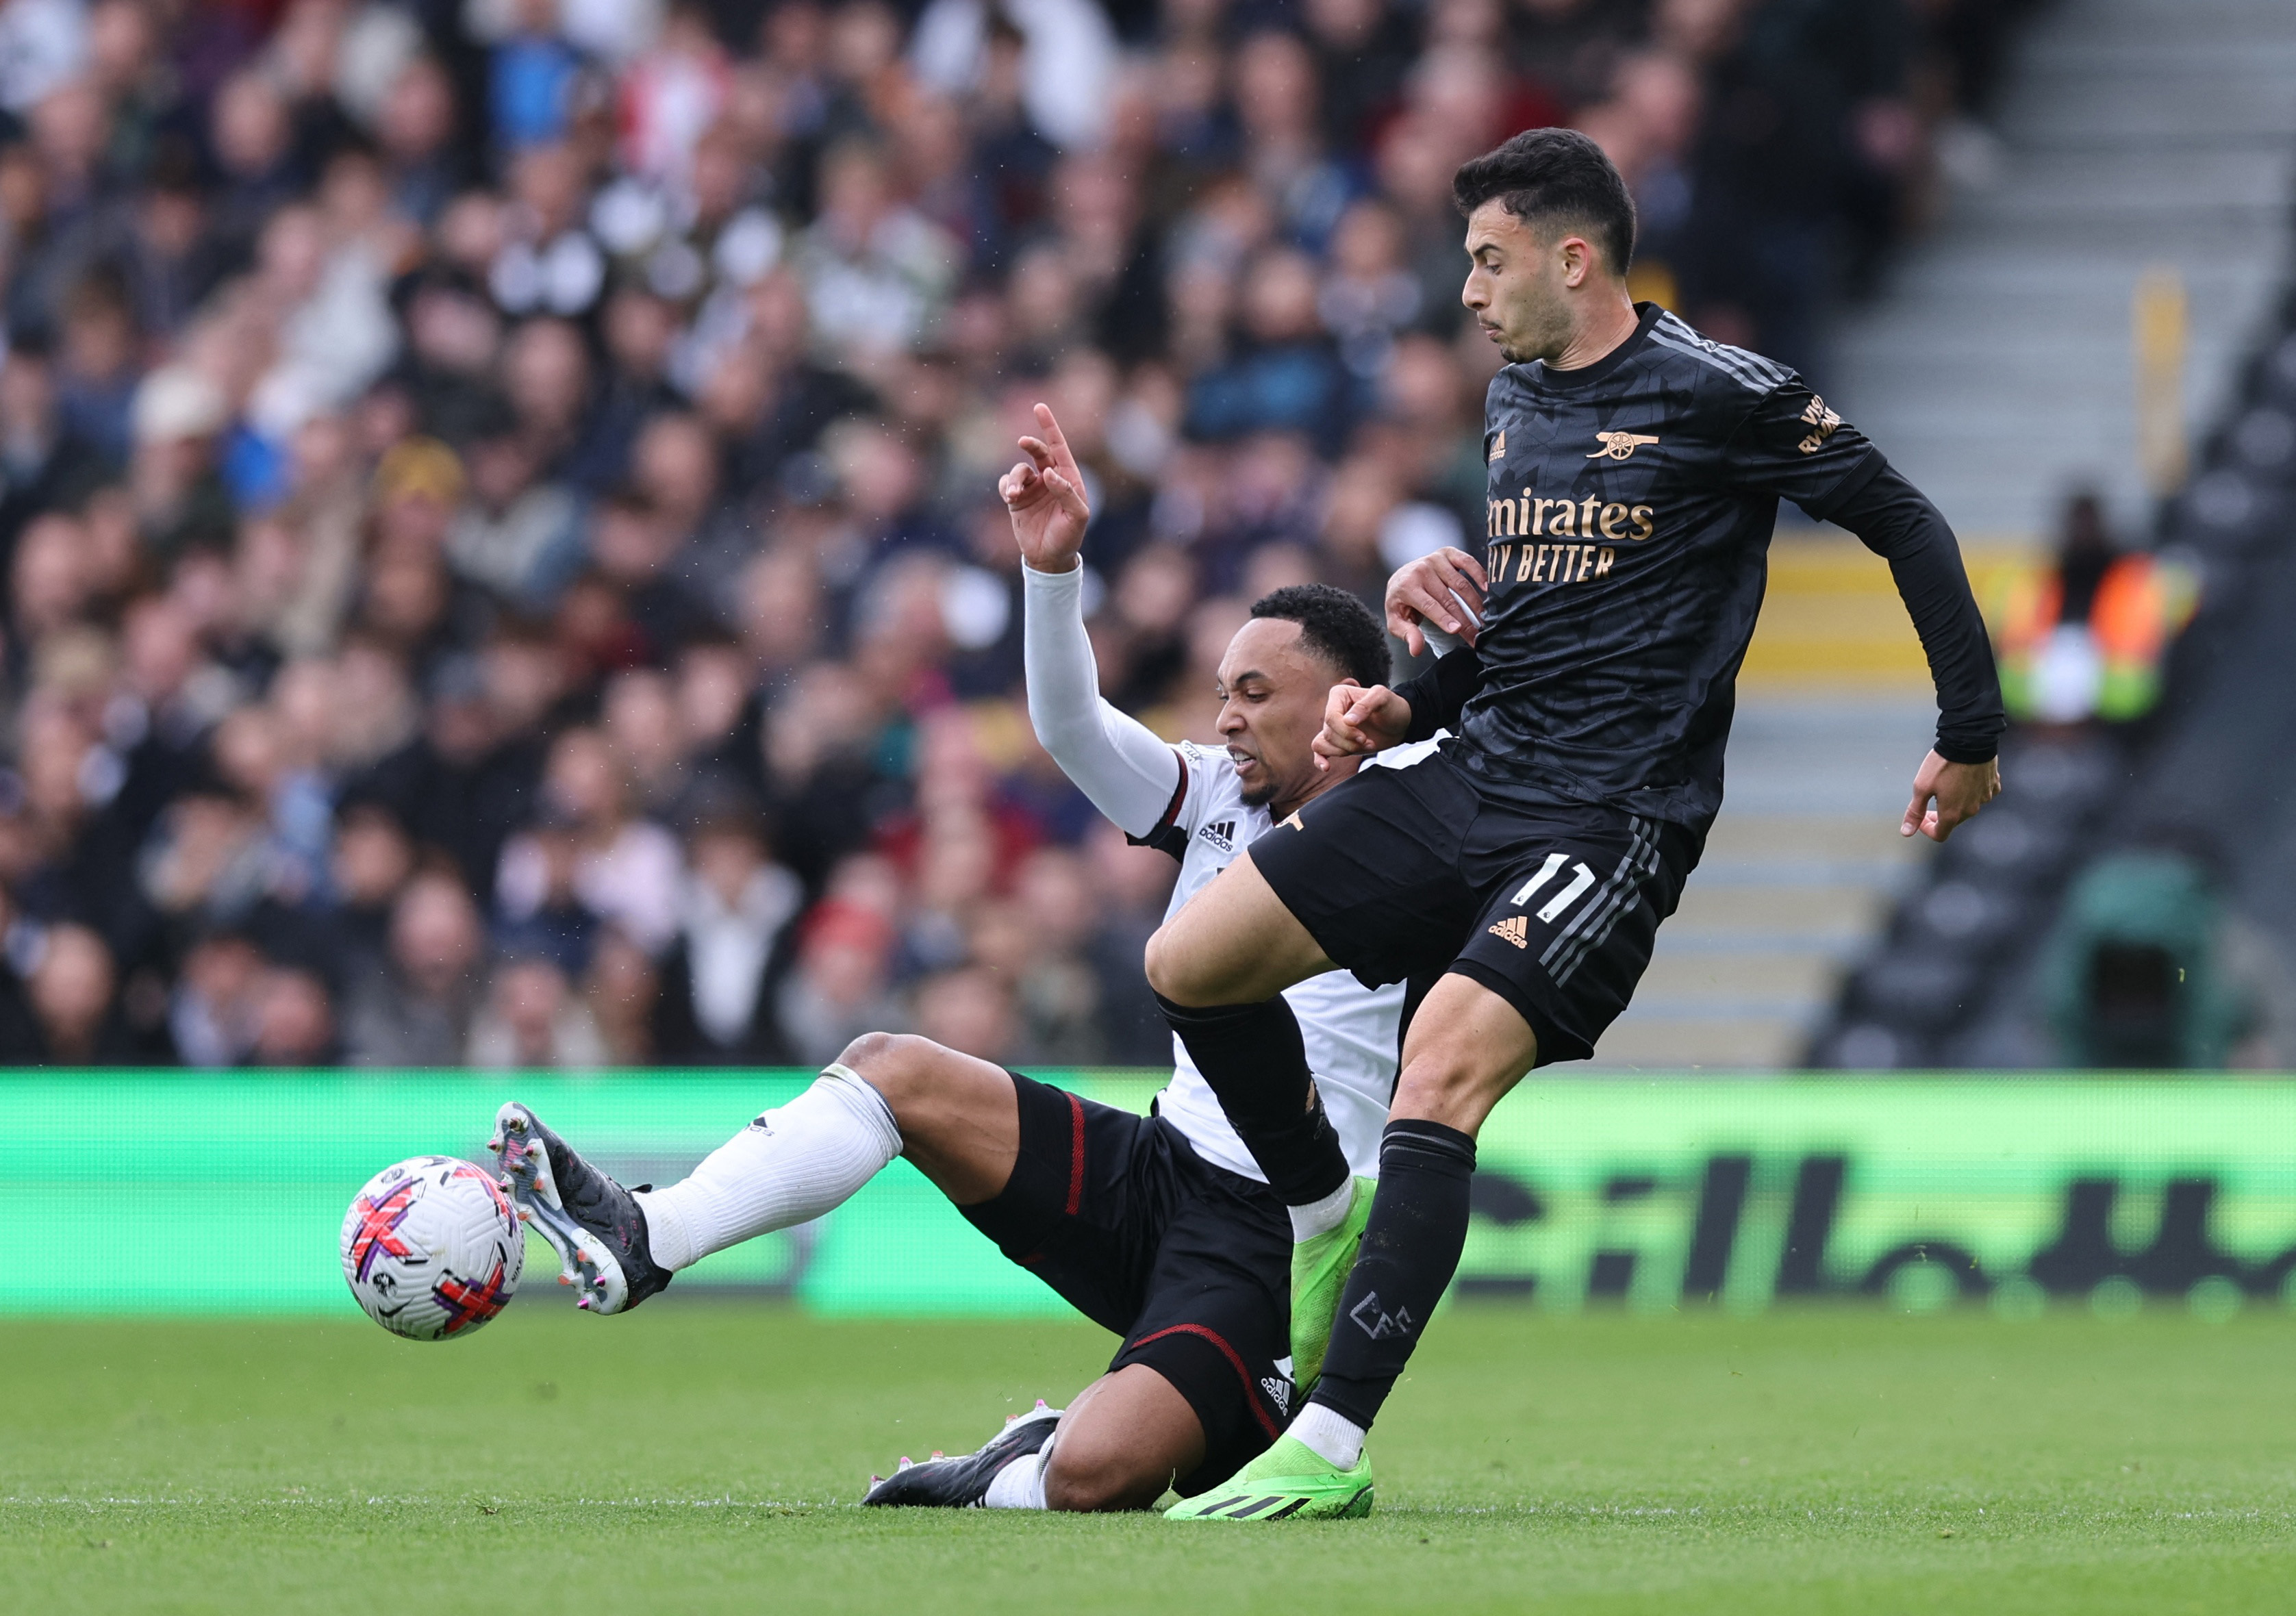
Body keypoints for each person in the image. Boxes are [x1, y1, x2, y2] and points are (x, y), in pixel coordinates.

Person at [1142, 127, 2007, 1521]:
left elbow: (1904, 520)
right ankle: (1324, 1212)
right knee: (1188, 964)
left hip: (1612, 817)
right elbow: (1524, 642)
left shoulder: (1725, 393)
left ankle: (1332, 1439)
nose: (1470, 291)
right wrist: (1402, 709)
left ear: (1574, 255)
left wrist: (1968, 732)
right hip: (1471, 775)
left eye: (1488, 261)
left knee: (1443, 1065)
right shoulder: (1512, 405)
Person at [489, 483, 1467, 1513]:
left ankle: (1022, 1460)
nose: (1225, 716)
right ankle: (650, 1238)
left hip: (1280, 1238)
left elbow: (1523, 722)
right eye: (1224, 690)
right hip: (1157, 1170)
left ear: (1348, 698)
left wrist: (1441, 639)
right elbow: (1071, 727)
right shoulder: (1221, 792)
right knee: (891, 1069)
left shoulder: (1415, 813)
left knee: (1096, 1476)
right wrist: (1052, 571)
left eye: (1257, 694)